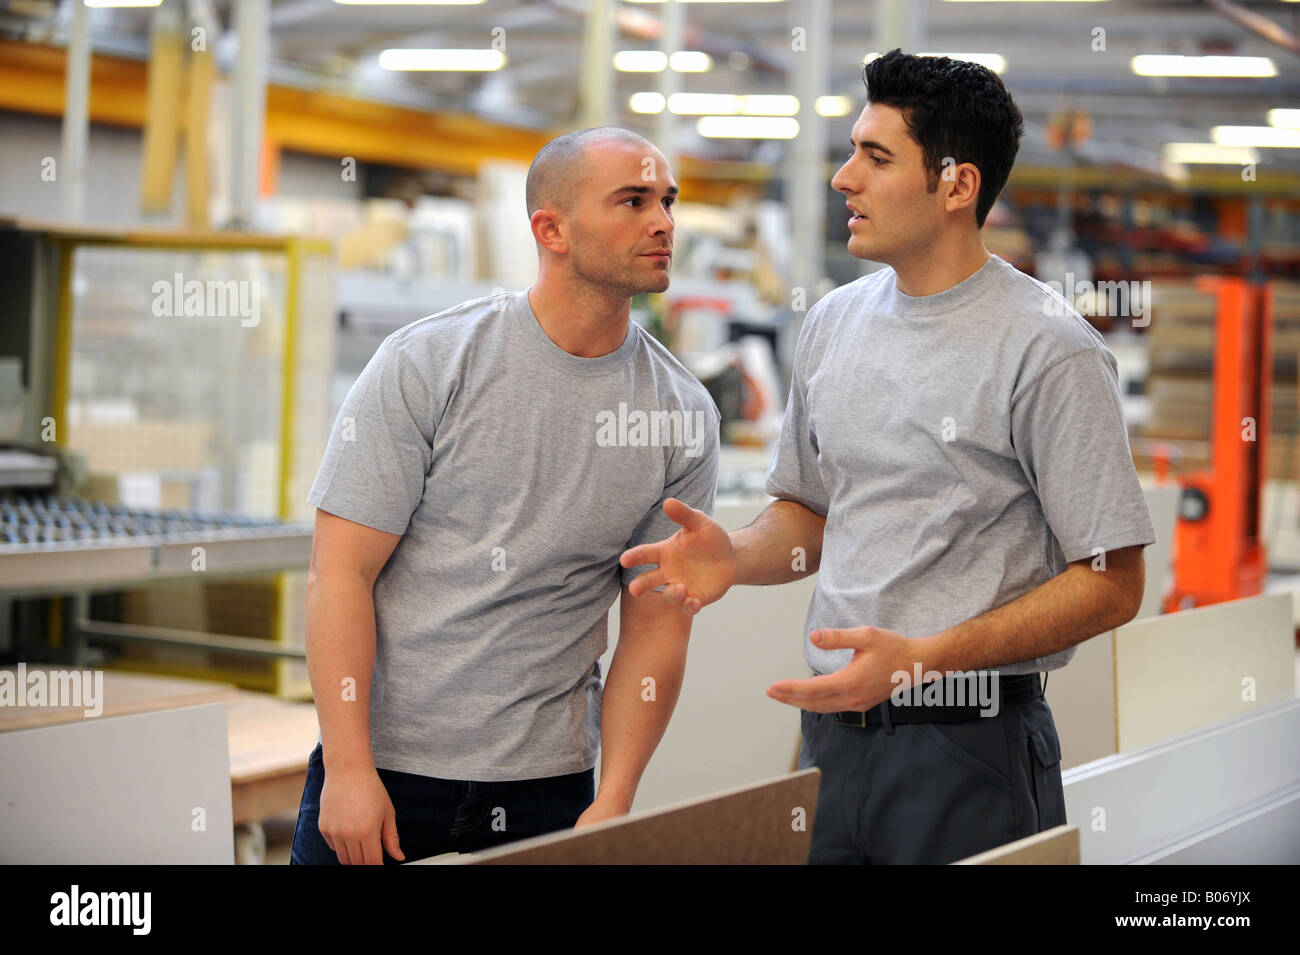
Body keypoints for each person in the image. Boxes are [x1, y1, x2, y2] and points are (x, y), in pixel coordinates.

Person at [620, 50, 1155, 864]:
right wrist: (735, 554)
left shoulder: (1048, 351)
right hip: (834, 739)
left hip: (970, 748)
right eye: (851, 151)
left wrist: (923, 660)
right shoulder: (834, 323)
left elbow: (1113, 582)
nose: (843, 178)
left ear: (956, 186)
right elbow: (809, 511)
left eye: (876, 157)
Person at [291, 126, 720, 865]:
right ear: (550, 229)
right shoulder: (429, 363)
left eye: (667, 201)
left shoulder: (680, 412)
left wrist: (612, 801)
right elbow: (340, 574)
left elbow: (655, 629)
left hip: (547, 791)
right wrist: (350, 768)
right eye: (633, 200)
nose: (663, 222)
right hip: (387, 775)